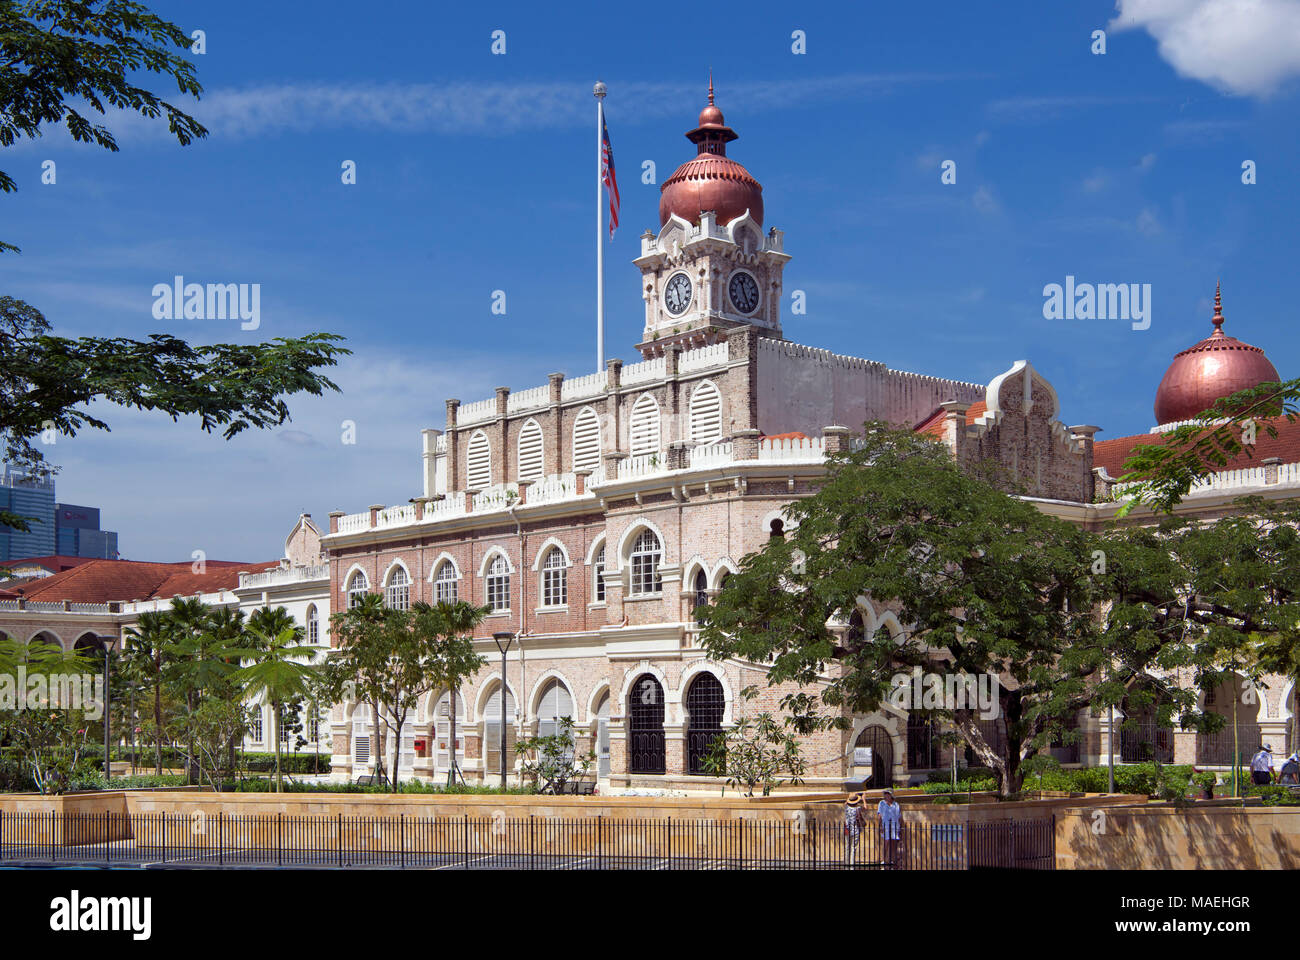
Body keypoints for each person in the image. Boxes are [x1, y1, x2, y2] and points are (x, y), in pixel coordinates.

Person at [877, 788, 902, 869]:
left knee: (893, 844)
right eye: (886, 794)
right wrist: (880, 825)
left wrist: (900, 828)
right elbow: (879, 815)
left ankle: (892, 861)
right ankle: (884, 860)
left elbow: (899, 816)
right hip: (886, 826)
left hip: (894, 826)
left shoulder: (896, 804)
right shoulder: (881, 803)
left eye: (888, 794)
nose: (887, 795)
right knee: (886, 843)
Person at [843, 792, 865, 867]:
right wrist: (864, 800)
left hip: (847, 830)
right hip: (855, 830)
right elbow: (865, 807)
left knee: (847, 847)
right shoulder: (857, 809)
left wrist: (849, 798)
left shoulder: (846, 808)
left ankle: (846, 864)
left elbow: (846, 802)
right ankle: (852, 865)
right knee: (853, 848)